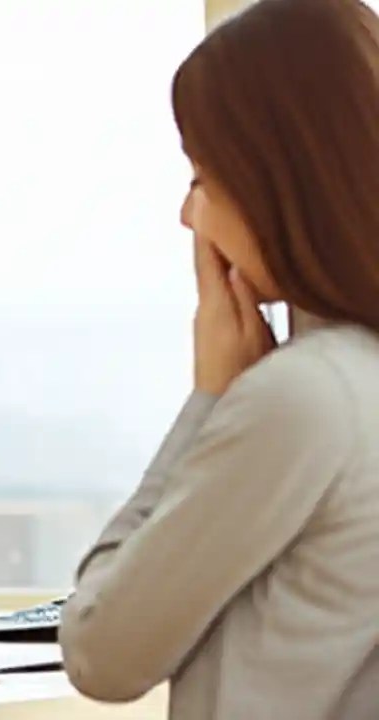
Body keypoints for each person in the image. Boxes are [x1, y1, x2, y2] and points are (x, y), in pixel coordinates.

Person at [58, 0, 379, 717]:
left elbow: (98, 651)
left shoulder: (305, 397)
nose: (187, 215)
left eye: (200, 175)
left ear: (274, 180)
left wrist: (209, 397)